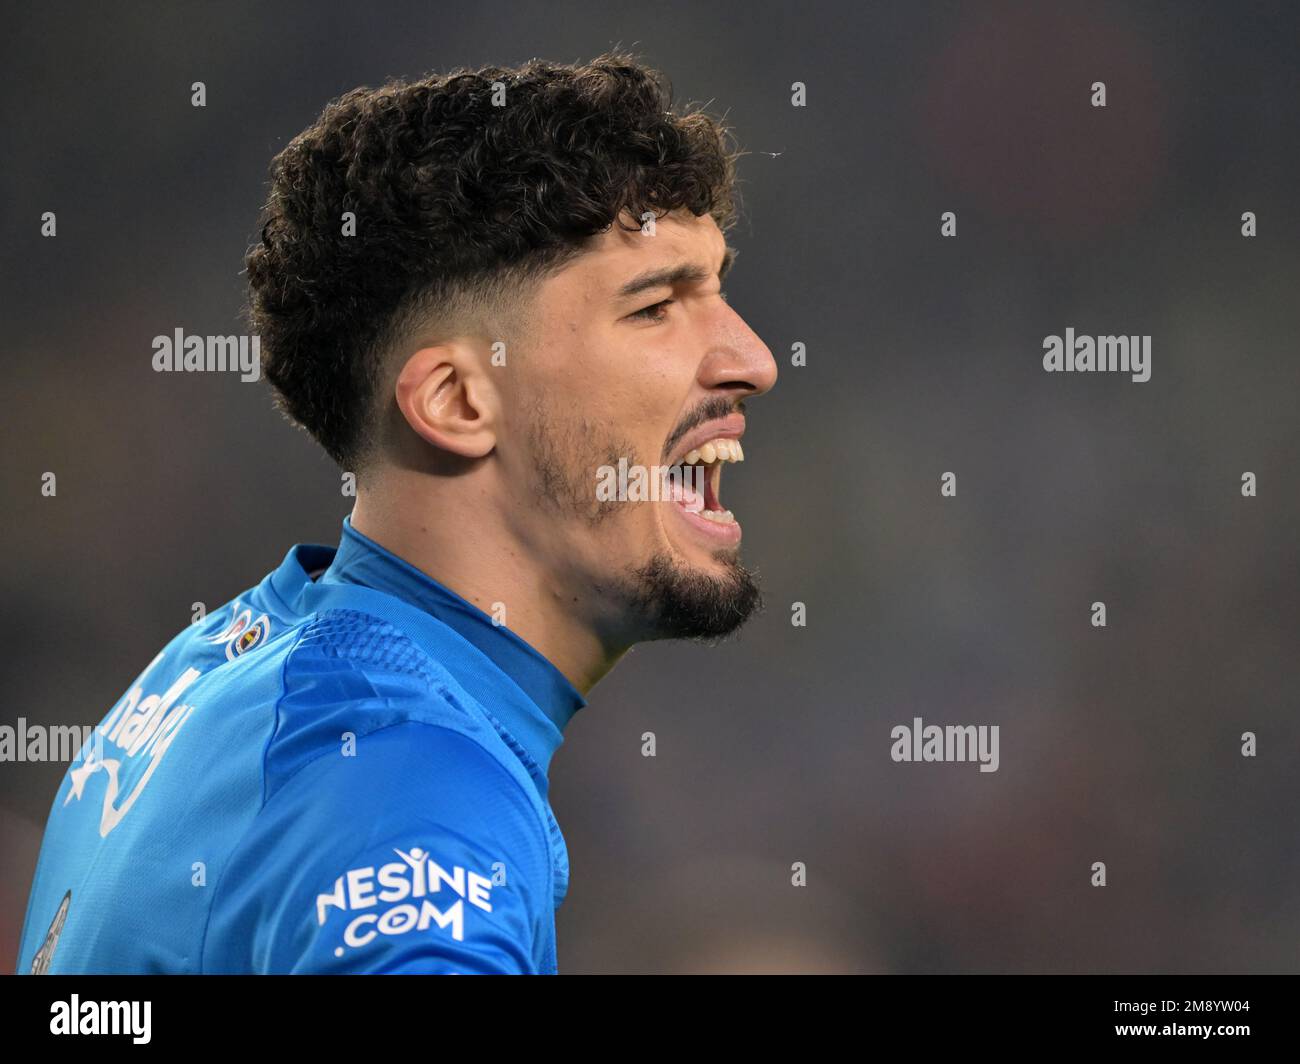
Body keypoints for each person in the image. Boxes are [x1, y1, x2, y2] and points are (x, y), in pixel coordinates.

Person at [18, 51, 777, 974]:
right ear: (455, 402)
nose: (753, 359)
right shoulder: (411, 795)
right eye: (655, 306)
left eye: (719, 291)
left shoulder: (203, 675)